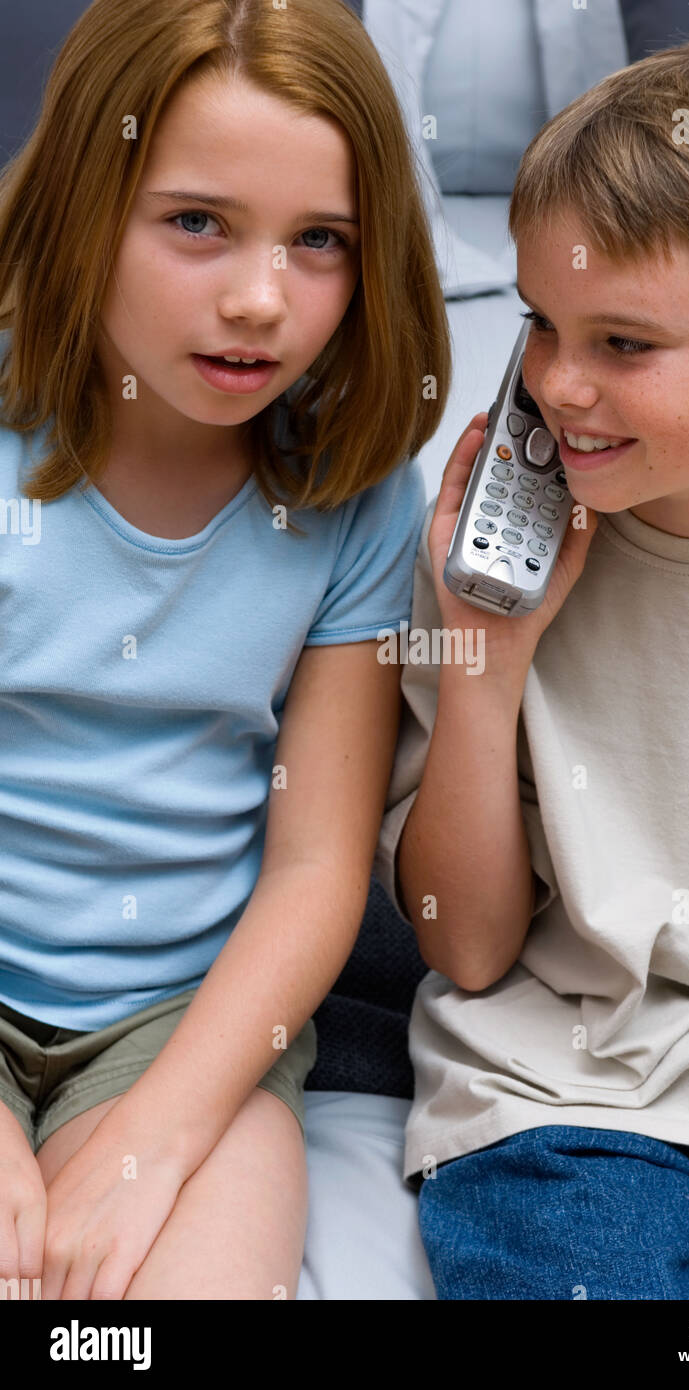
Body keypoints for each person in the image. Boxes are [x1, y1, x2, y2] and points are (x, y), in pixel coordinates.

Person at [375, 36, 689, 1300]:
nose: (558, 385)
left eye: (624, 344)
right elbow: (464, 950)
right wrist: (484, 668)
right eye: (538, 323)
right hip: (566, 1098)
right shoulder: (491, 561)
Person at [0, 0, 448, 1301]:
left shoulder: (357, 497)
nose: (259, 300)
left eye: (321, 243)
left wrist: (153, 1133)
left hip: (182, 1025)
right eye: (196, 223)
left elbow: (317, 865)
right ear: (88, 200)